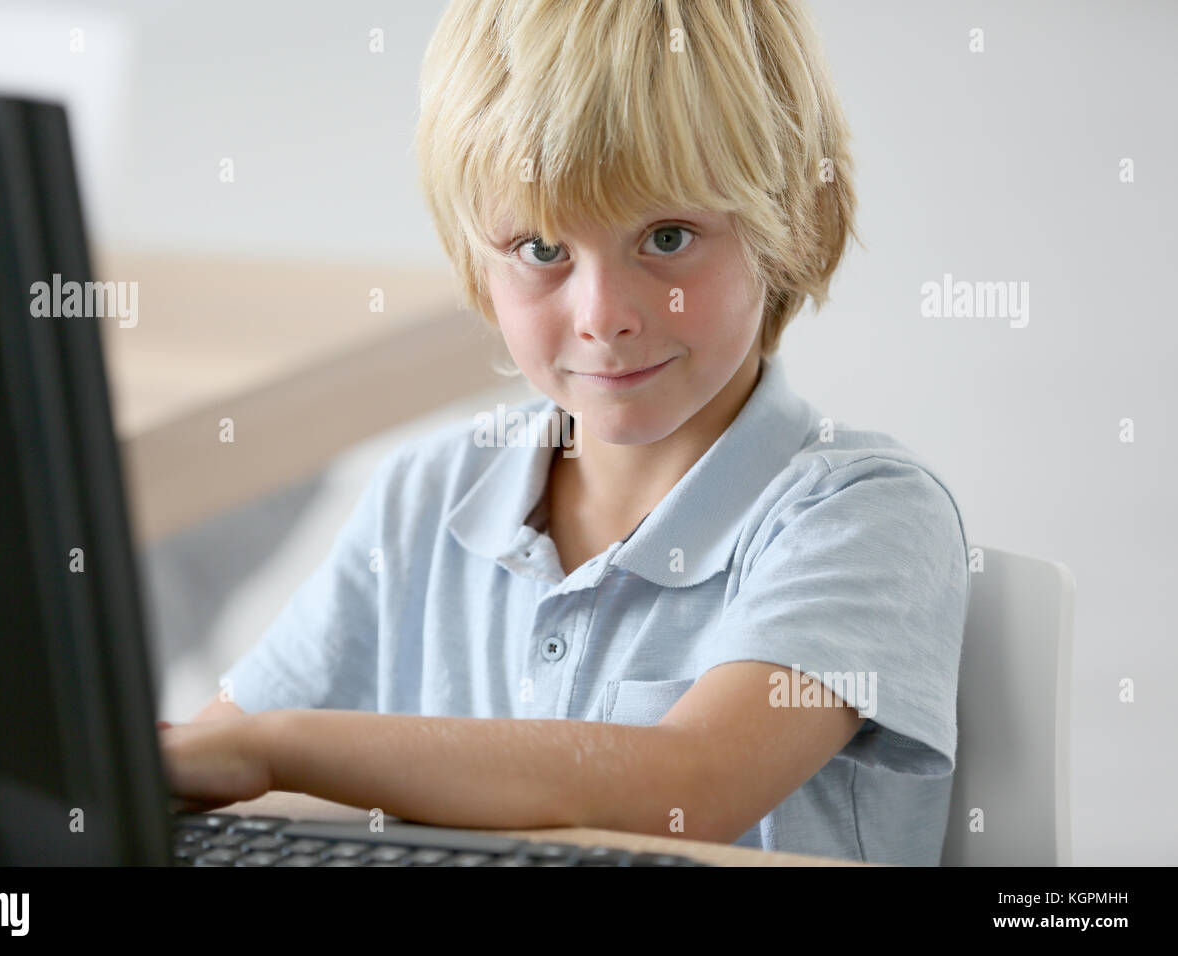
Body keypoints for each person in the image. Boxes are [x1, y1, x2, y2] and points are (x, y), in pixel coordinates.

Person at [158, 0, 970, 865]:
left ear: (789, 224)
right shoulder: (426, 494)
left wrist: (278, 748)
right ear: (478, 260)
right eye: (542, 249)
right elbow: (214, 760)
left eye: (667, 236)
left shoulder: (863, 515)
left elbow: (686, 790)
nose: (603, 317)